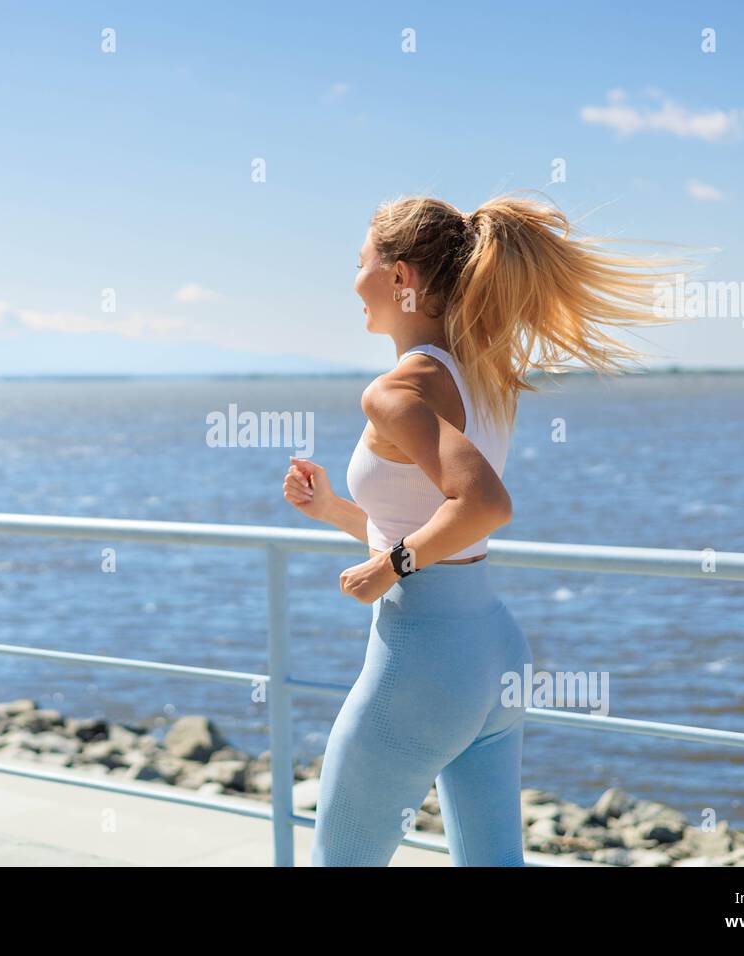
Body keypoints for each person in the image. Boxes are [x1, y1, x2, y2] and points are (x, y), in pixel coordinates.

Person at [283, 193, 682, 866]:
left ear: (402, 277)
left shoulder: (395, 392)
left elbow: (484, 503)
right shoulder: (485, 373)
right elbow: (441, 527)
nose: (354, 282)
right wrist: (334, 513)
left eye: (361, 263)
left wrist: (390, 567)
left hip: (421, 663)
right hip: (490, 652)